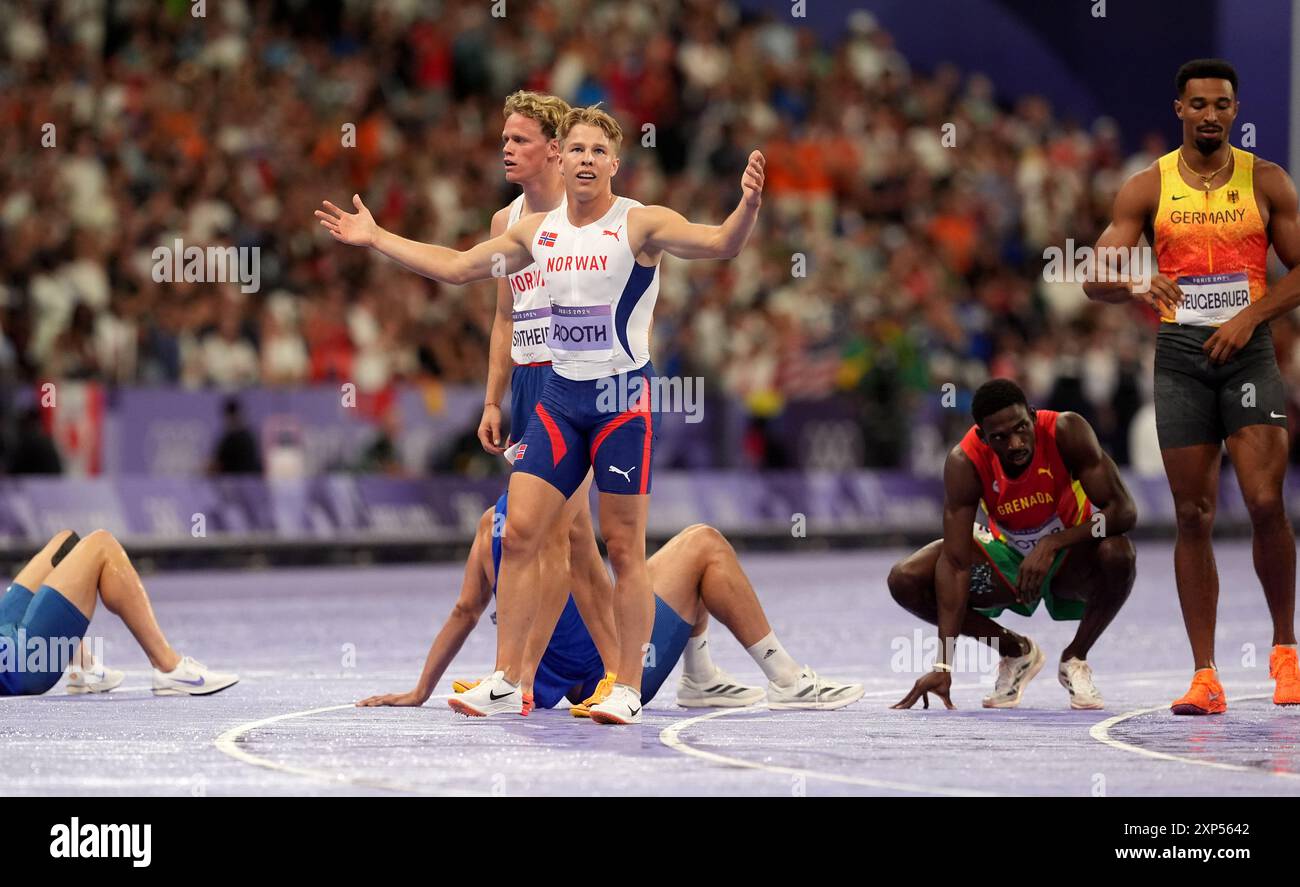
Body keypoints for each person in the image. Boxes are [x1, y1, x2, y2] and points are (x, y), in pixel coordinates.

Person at [318, 104, 765, 724]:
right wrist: (377, 238)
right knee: (521, 533)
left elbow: (719, 244)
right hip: (560, 396)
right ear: (565, 157)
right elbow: (456, 267)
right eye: (576, 149)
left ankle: (627, 688)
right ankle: (506, 680)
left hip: (619, 401)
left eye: (596, 151)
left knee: (622, 548)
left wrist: (745, 209)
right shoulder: (537, 232)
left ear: (613, 163)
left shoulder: (639, 224)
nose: (585, 159)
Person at [1084, 58, 1300, 714]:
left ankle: (1286, 651)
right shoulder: (1145, 189)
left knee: (1264, 500)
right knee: (1192, 514)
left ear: (1235, 110)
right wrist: (1134, 283)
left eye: (1222, 105)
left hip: (1249, 352)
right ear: (1179, 108)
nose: (1211, 114)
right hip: (1180, 355)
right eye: (1199, 104)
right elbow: (1094, 276)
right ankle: (1205, 674)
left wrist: (1250, 316)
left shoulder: (1266, 181)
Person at [358, 490, 863, 715]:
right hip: (614, 674)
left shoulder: (488, 526)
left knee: (674, 558)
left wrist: (420, 689)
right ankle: (787, 680)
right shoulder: (562, 516)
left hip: (586, 678)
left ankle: (701, 678)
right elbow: (559, 589)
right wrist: (524, 676)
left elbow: (464, 612)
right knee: (704, 544)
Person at [889, 379, 1137, 711]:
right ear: (982, 436)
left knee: (1118, 552)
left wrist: (1052, 543)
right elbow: (956, 563)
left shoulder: (1067, 430)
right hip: (1009, 561)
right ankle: (1015, 651)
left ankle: (1075, 657)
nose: (1016, 443)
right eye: (1000, 438)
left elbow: (1123, 512)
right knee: (905, 579)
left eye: (1021, 428)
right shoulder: (965, 462)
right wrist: (943, 664)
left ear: (1033, 416)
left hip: (1070, 557)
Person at [0, 530, 238, 697]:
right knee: (102, 546)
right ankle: (170, 669)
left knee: (66, 544)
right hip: (20, 665)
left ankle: (85, 668)